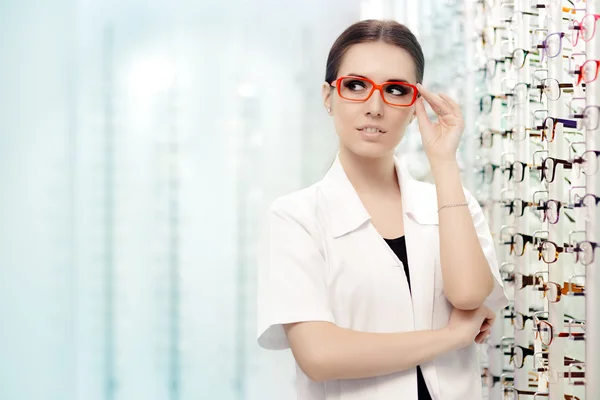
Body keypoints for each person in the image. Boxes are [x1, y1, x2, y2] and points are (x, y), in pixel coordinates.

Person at [255, 19, 509, 400]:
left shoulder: (452, 204)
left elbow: (469, 295)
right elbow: (320, 355)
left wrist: (443, 162)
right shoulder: (296, 217)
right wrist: (451, 336)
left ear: (413, 107)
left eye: (395, 90)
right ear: (329, 96)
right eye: (356, 86)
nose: (375, 107)